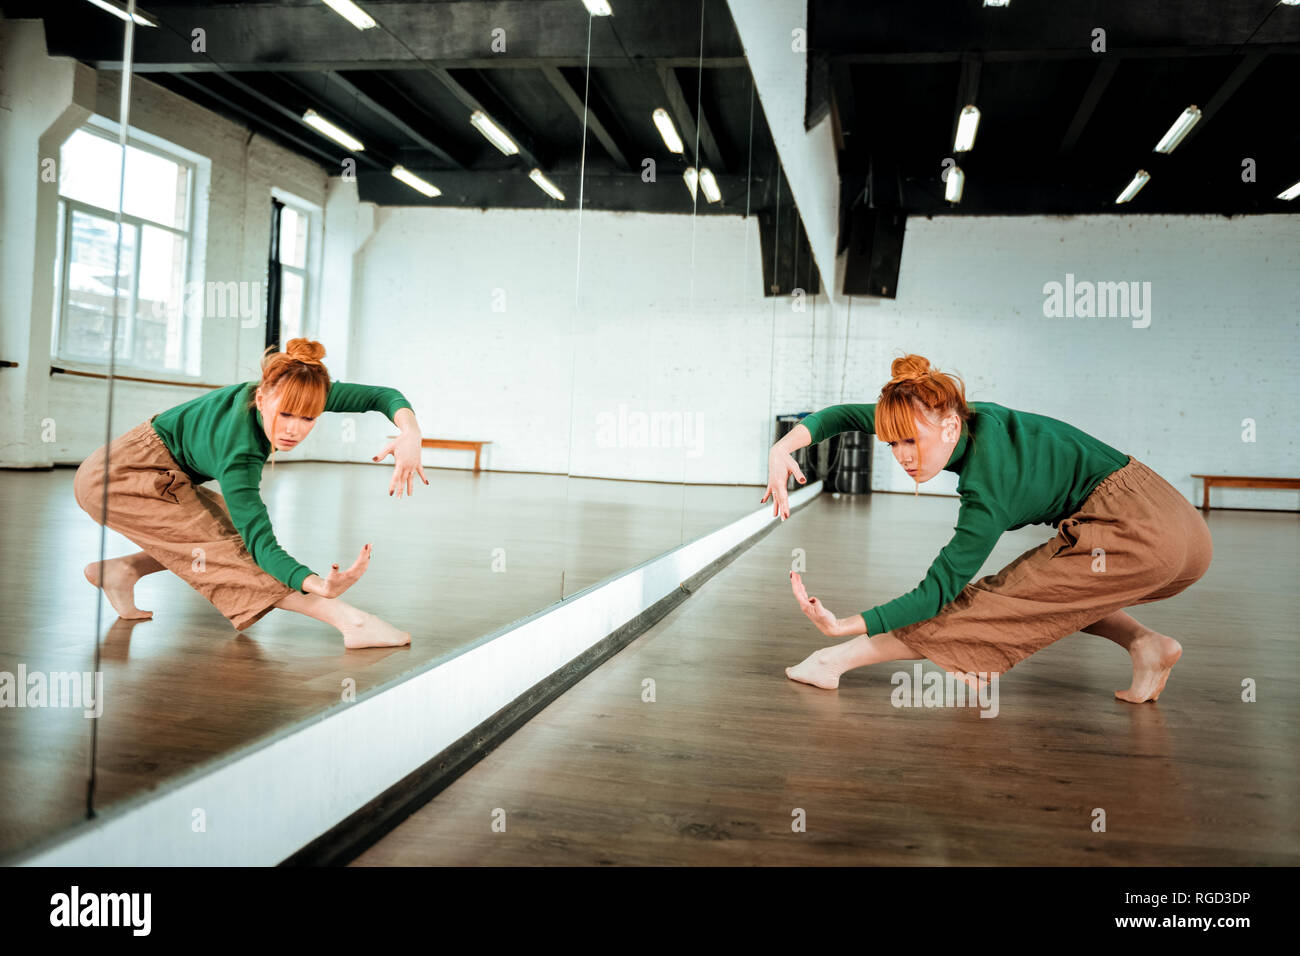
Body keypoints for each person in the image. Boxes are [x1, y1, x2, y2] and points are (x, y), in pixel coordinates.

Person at [761, 353, 1213, 702]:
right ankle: (1145, 644)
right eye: (892, 443)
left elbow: (935, 594)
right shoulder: (951, 413)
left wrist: (843, 625)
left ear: (950, 426)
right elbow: (843, 415)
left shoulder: (988, 487)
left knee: (992, 602)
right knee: (1058, 589)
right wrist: (783, 447)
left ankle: (832, 662)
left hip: (1140, 531)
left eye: (911, 442)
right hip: (1181, 527)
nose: (902, 456)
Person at [75, 338, 425, 649]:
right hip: (117, 478)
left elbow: (382, 396)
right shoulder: (239, 453)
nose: (293, 429)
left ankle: (124, 569)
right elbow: (260, 544)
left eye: (308, 418)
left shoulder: (296, 388)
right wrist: (316, 584)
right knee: (229, 551)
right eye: (285, 414)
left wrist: (411, 433)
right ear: (261, 398)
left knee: (221, 529)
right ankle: (351, 622)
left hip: (145, 467)